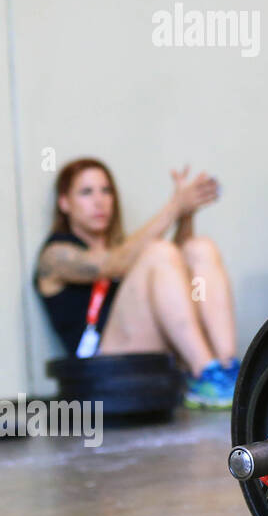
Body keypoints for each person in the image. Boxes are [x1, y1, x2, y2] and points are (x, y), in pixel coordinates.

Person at [34, 158, 240, 408]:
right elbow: (112, 265)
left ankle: (227, 368)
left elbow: (173, 271)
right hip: (101, 367)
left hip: (151, 350)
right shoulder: (55, 255)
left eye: (106, 190)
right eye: (86, 192)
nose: (99, 200)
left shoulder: (126, 249)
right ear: (65, 202)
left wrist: (185, 216)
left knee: (199, 248)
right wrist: (174, 206)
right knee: (158, 253)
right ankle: (204, 372)